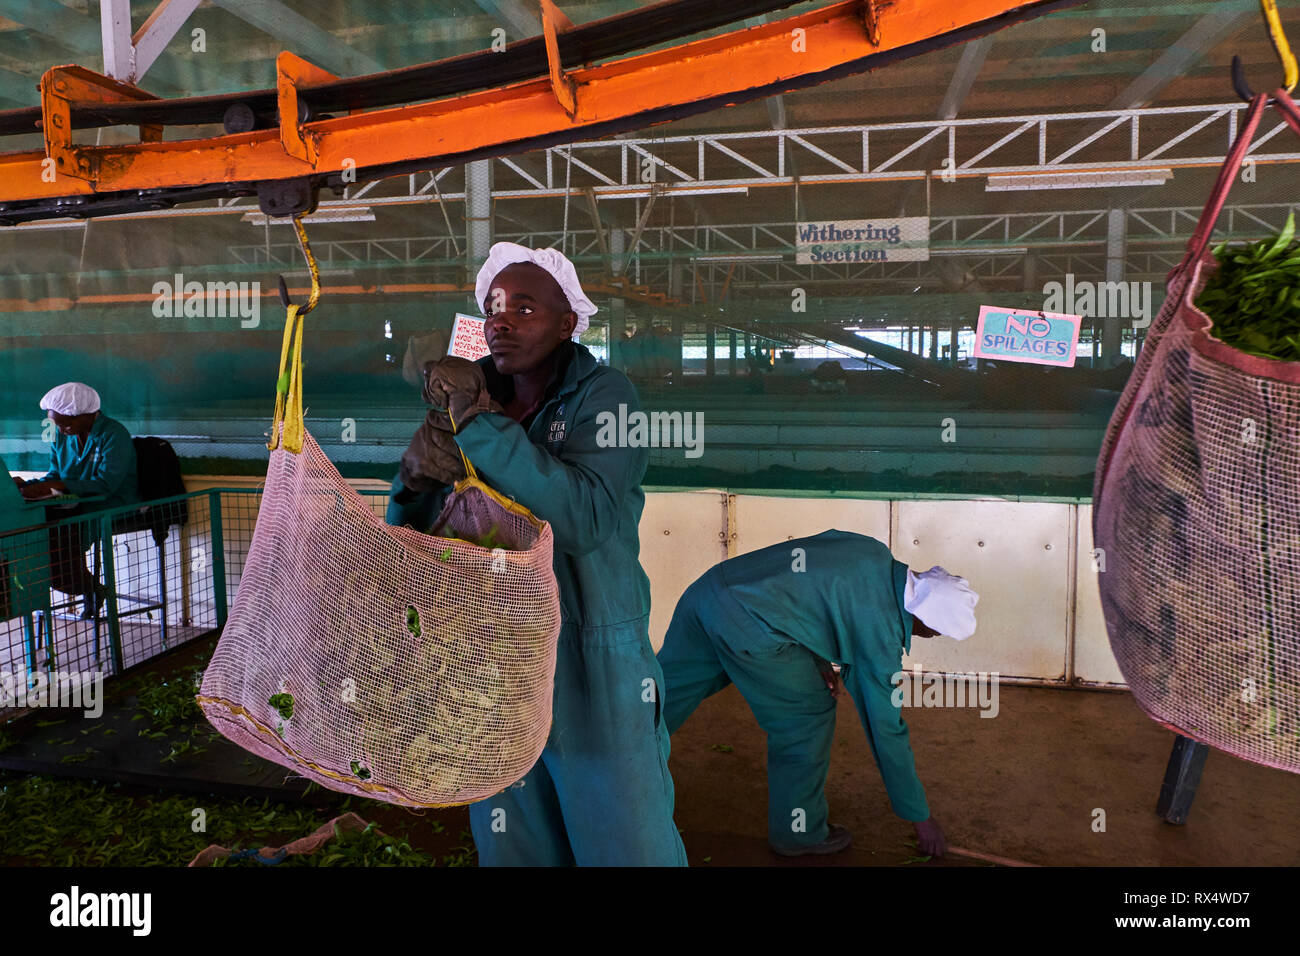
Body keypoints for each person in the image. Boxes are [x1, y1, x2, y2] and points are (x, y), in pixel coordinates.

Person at [387, 242, 688, 867]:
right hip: (494, 651)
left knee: (624, 838)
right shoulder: (466, 406)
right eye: (494, 306)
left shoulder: (608, 398)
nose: (501, 319)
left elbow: (583, 519)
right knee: (513, 834)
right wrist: (412, 482)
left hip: (594, 653)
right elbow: (420, 543)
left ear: (567, 323)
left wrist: (476, 420)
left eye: (525, 307)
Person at [657, 530, 979, 858]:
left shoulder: (872, 552)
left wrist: (818, 656)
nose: (934, 636)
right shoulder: (880, 635)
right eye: (938, 632)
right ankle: (798, 833)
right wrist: (919, 817)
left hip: (710, 591)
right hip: (748, 624)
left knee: (661, 698)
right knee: (806, 718)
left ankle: (612, 762)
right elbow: (885, 730)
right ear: (927, 622)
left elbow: (808, 591)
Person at [15, 383, 138, 619]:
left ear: (88, 415)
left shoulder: (114, 435)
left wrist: (61, 486)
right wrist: (28, 486)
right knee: (41, 524)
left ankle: (84, 585)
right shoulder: (63, 437)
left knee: (62, 531)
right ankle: (80, 582)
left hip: (112, 502)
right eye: (57, 424)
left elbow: (107, 484)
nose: (61, 430)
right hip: (74, 503)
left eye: (65, 423)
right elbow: (55, 475)